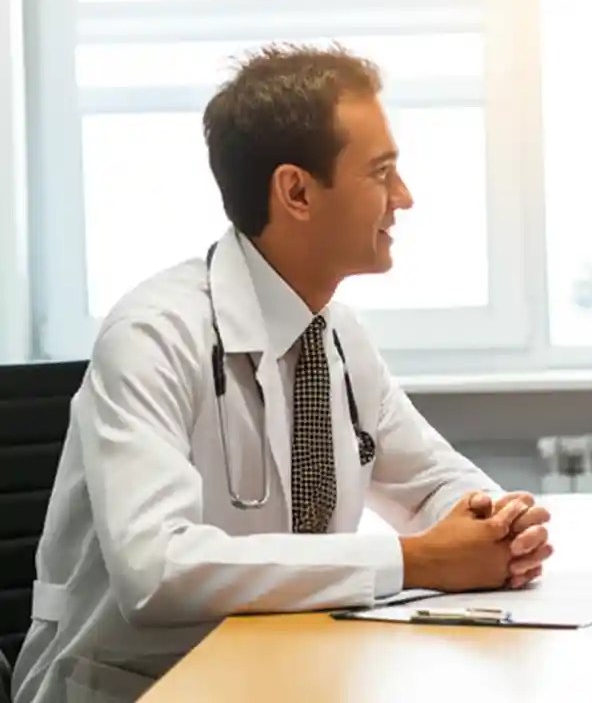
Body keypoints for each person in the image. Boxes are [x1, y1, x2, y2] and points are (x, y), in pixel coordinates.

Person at [12, 43, 553, 703]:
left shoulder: (337, 335)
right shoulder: (153, 335)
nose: (404, 198)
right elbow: (156, 571)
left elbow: (432, 481)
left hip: (286, 670)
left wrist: (499, 524)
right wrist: (415, 560)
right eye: (380, 173)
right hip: (136, 685)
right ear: (296, 190)